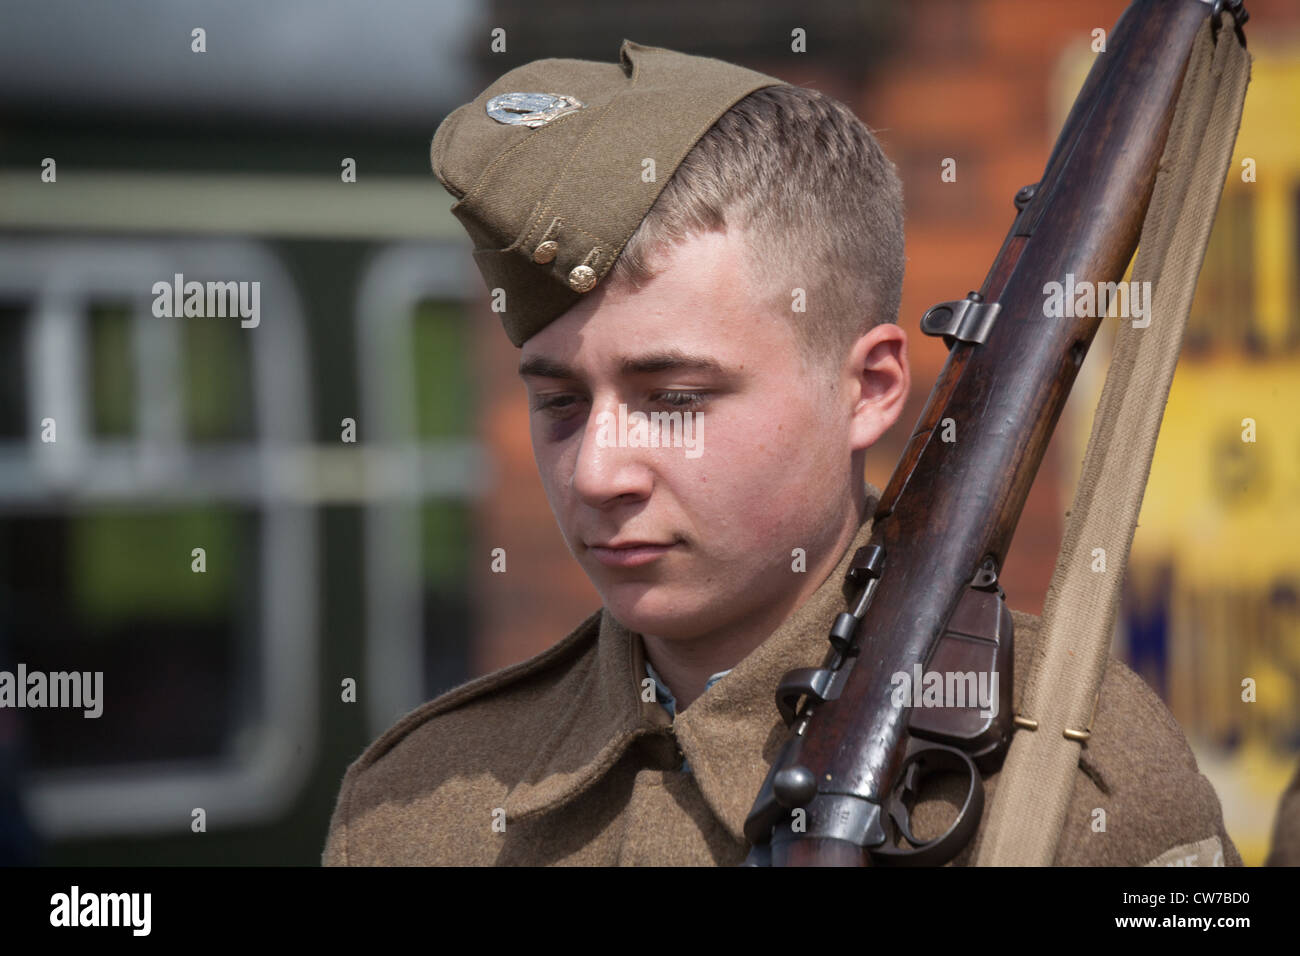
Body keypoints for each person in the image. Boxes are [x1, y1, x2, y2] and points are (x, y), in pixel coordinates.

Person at [323, 39, 1239, 866]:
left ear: (870, 389)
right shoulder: (426, 810)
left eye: (675, 400)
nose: (597, 474)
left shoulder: (1079, 778)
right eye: (560, 402)